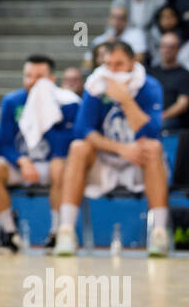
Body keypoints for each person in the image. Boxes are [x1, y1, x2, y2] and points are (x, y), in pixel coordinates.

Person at [54, 41, 171, 257]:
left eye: (119, 64)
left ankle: (159, 232)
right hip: (105, 159)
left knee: (153, 148)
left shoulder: (149, 86)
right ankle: (66, 231)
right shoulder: (95, 85)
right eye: (109, 64)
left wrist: (125, 99)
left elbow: (151, 132)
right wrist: (120, 149)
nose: (112, 70)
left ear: (132, 63)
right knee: (78, 147)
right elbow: (82, 130)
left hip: (138, 160)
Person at [0, 55, 79, 250]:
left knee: (59, 166)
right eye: (28, 76)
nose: (32, 81)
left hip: (52, 164)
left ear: (52, 80)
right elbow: (4, 143)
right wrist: (21, 161)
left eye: (39, 77)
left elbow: (66, 147)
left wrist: (49, 116)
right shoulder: (12, 101)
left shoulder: (69, 103)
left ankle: (56, 233)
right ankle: (10, 234)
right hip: (22, 163)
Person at [152, 31, 189, 132]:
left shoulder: (186, 75)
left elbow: (182, 105)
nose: (167, 50)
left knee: (159, 125)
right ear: (160, 48)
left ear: (178, 49)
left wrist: (162, 116)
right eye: (164, 46)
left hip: (172, 120)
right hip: (150, 114)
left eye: (171, 47)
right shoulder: (151, 72)